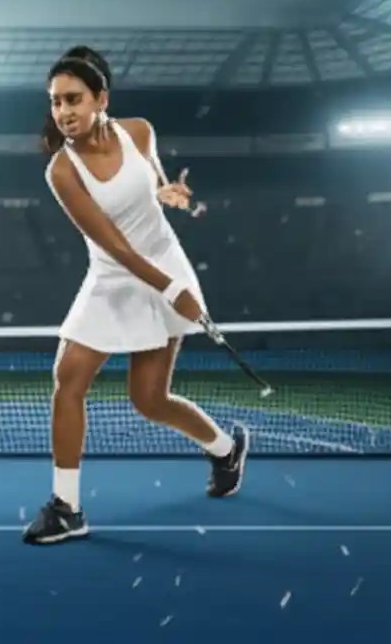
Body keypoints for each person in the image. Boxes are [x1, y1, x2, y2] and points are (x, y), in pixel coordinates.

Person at [21, 46, 248, 545]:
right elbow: (114, 243)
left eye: (73, 99)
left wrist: (169, 195)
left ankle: (226, 448)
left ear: (101, 97)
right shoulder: (62, 171)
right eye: (56, 102)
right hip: (114, 275)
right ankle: (67, 508)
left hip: (165, 264)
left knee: (149, 400)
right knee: (68, 377)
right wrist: (173, 292)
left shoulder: (139, 130)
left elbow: (153, 181)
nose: (63, 112)